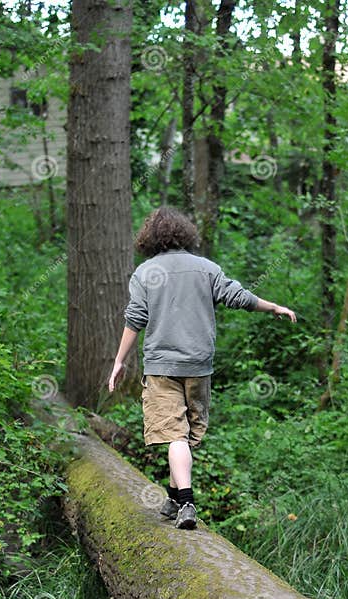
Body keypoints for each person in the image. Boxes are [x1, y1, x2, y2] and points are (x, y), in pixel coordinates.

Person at [108, 207, 296, 530]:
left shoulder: (145, 273)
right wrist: (273, 307)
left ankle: (186, 503)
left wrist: (119, 360)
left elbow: (135, 318)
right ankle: (172, 497)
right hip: (199, 366)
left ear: (150, 238)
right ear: (185, 234)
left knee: (173, 435)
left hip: (162, 366)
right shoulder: (206, 268)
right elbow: (238, 296)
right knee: (182, 436)